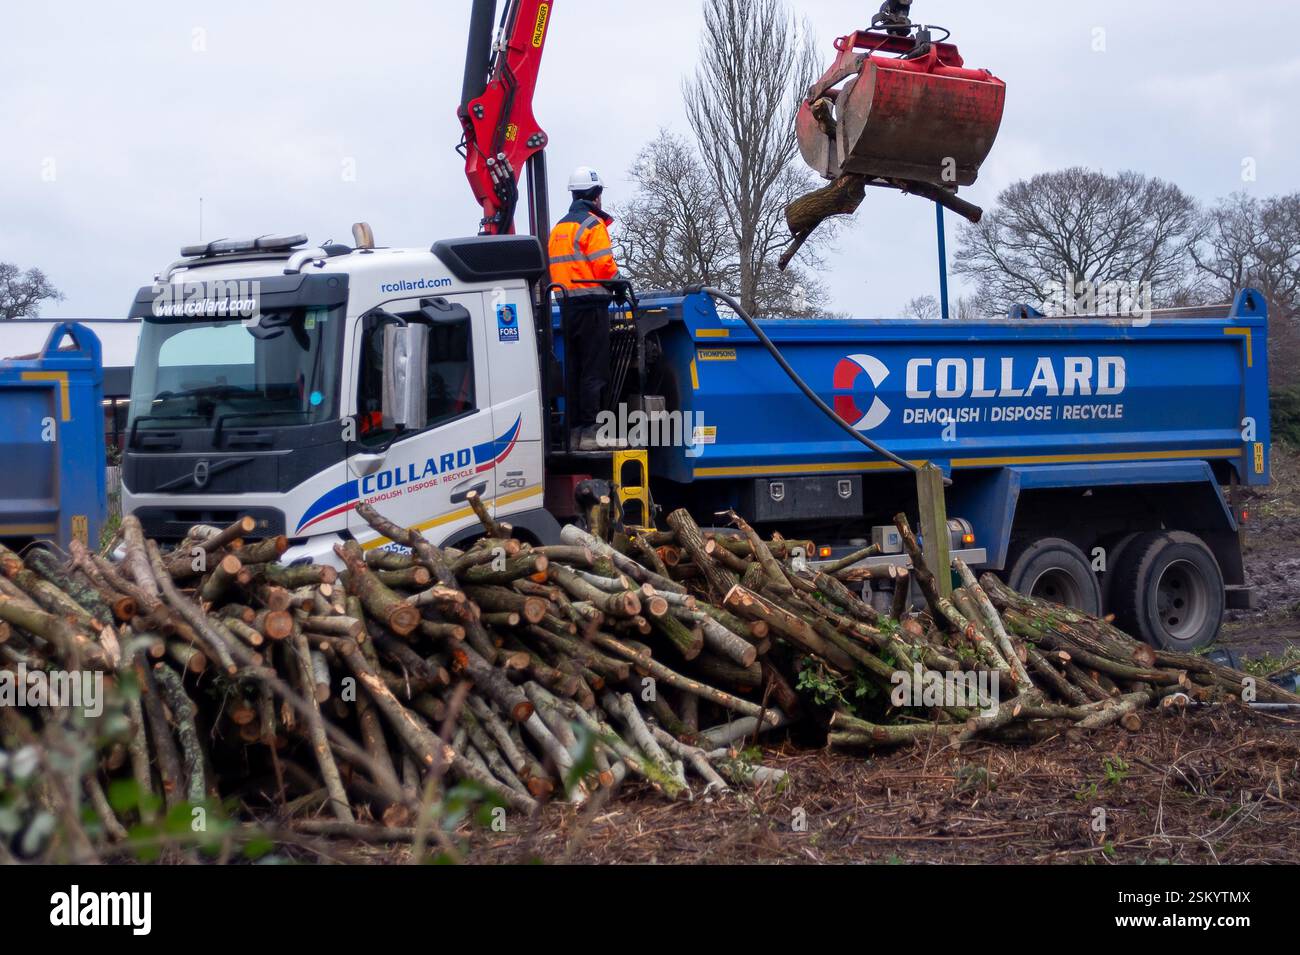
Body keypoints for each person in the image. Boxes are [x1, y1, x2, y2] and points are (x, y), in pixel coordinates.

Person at [548, 166, 625, 451]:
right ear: (596, 195)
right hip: (592, 304)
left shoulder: (559, 228)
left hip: (566, 306)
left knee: (576, 369)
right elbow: (603, 265)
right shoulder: (593, 226)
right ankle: (592, 430)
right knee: (595, 369)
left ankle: (575, 432)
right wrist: (618, 284)